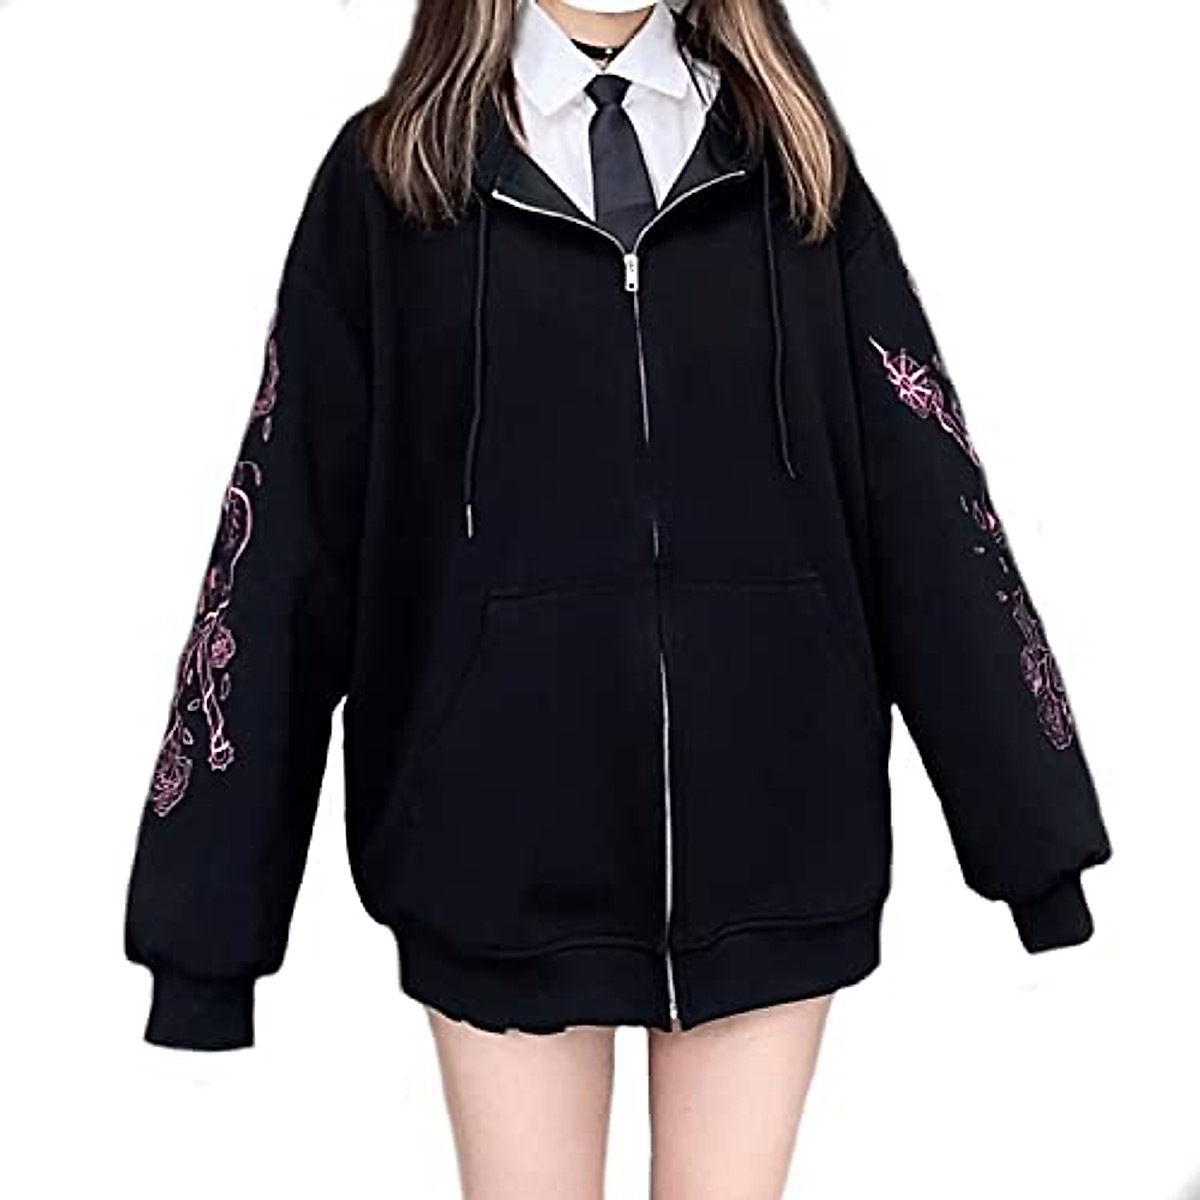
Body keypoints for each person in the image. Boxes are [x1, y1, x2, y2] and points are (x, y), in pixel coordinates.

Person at [122, 1, 1113, 1196]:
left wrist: (1033, 839)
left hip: (777, 836)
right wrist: (205, 938)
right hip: (492, 854)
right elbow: (286, 533)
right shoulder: (395, 180)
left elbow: (926, 500)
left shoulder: (792, 161)